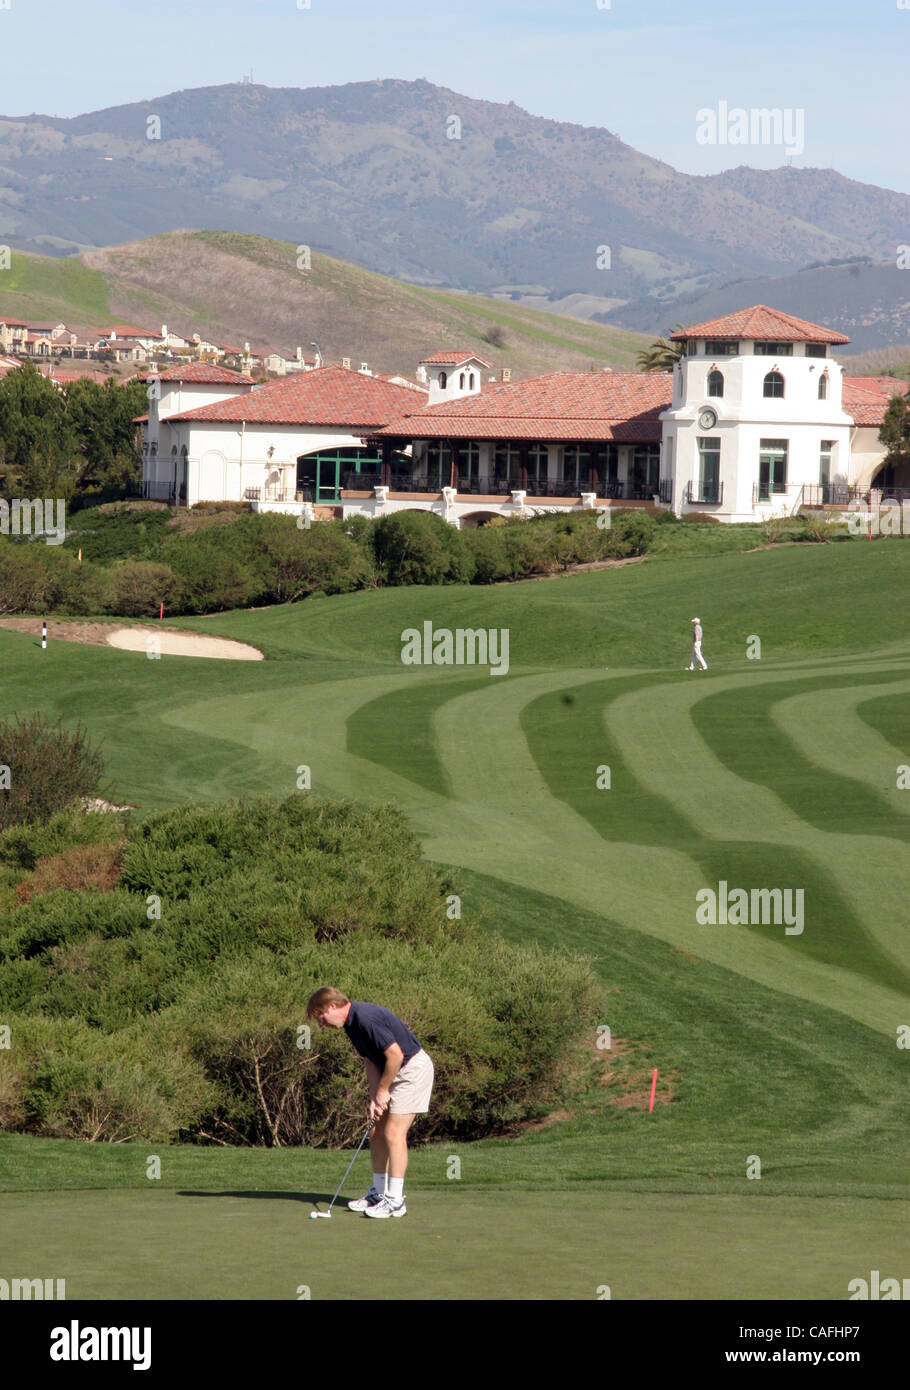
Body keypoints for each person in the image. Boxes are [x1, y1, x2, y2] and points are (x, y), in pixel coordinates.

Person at [306, 987, 434, 1219]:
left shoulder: (365, 1018)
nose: (323, 1026)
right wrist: (375, 1096)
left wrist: (384, 1089)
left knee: (394, 1132)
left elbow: (395, 1055)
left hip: (412, 1070)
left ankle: (395, 1201)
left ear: (332, 1006)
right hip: (393, 1071)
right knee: (376, 1130)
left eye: (322, 1018)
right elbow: (370, 1061)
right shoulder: (351, 1025)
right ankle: (378, 1193)